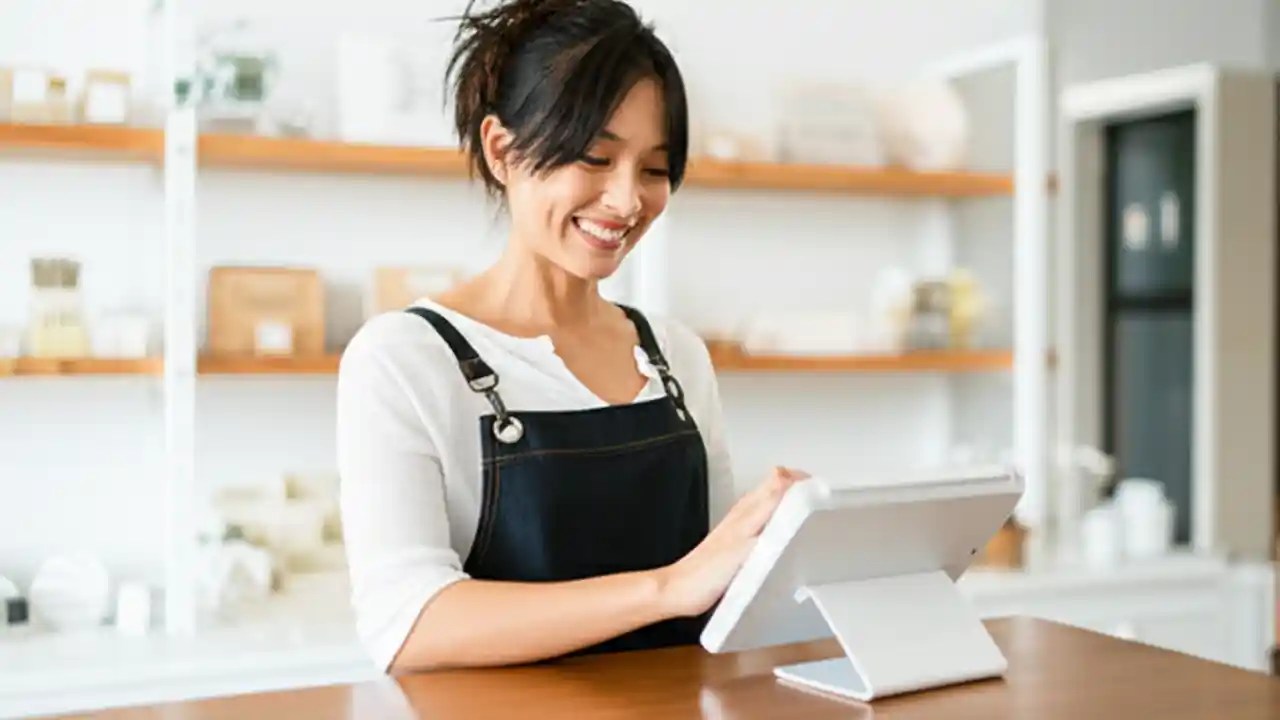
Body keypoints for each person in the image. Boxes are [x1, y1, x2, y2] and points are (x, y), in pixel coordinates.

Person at [337, 0, 806, 674]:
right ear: (502, 150)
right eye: (594, 158)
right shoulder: (404, 358)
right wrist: (664, 589)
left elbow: (718, 590)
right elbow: (407, 624)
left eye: (652, 169)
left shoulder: (676, 356)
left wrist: (793, 539)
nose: (626, 201)